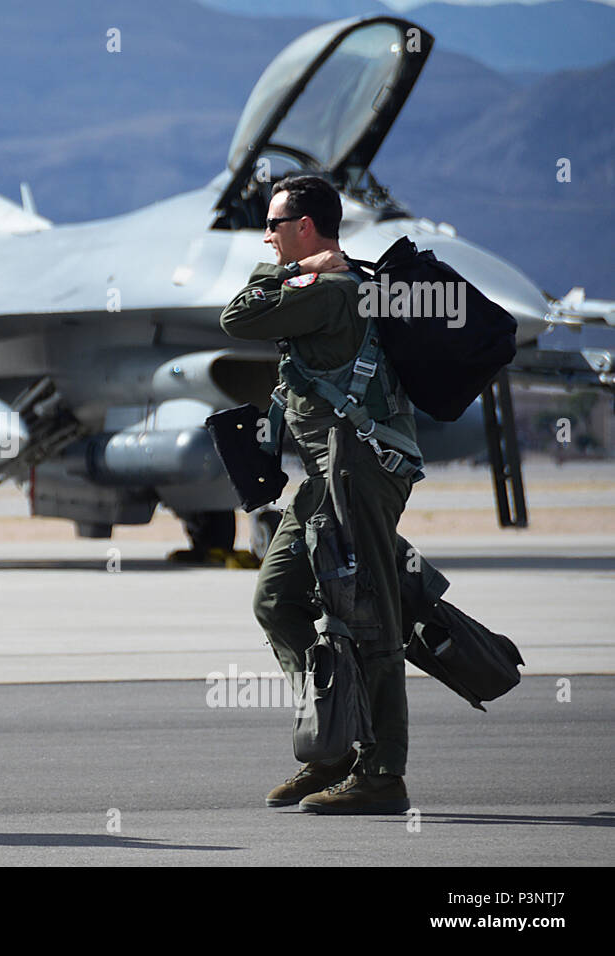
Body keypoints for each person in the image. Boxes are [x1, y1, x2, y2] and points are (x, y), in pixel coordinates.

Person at [219, 175, 420, 814]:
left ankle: (382, 773)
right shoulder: (323, 286)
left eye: (275, 225)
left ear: (305, 227)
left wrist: (284, 271)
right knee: (277, 601)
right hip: (323, 476)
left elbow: (237, 317)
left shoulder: (333, 292)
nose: (267, 236)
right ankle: (331, 745)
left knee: (373, 619)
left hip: (360, 470)